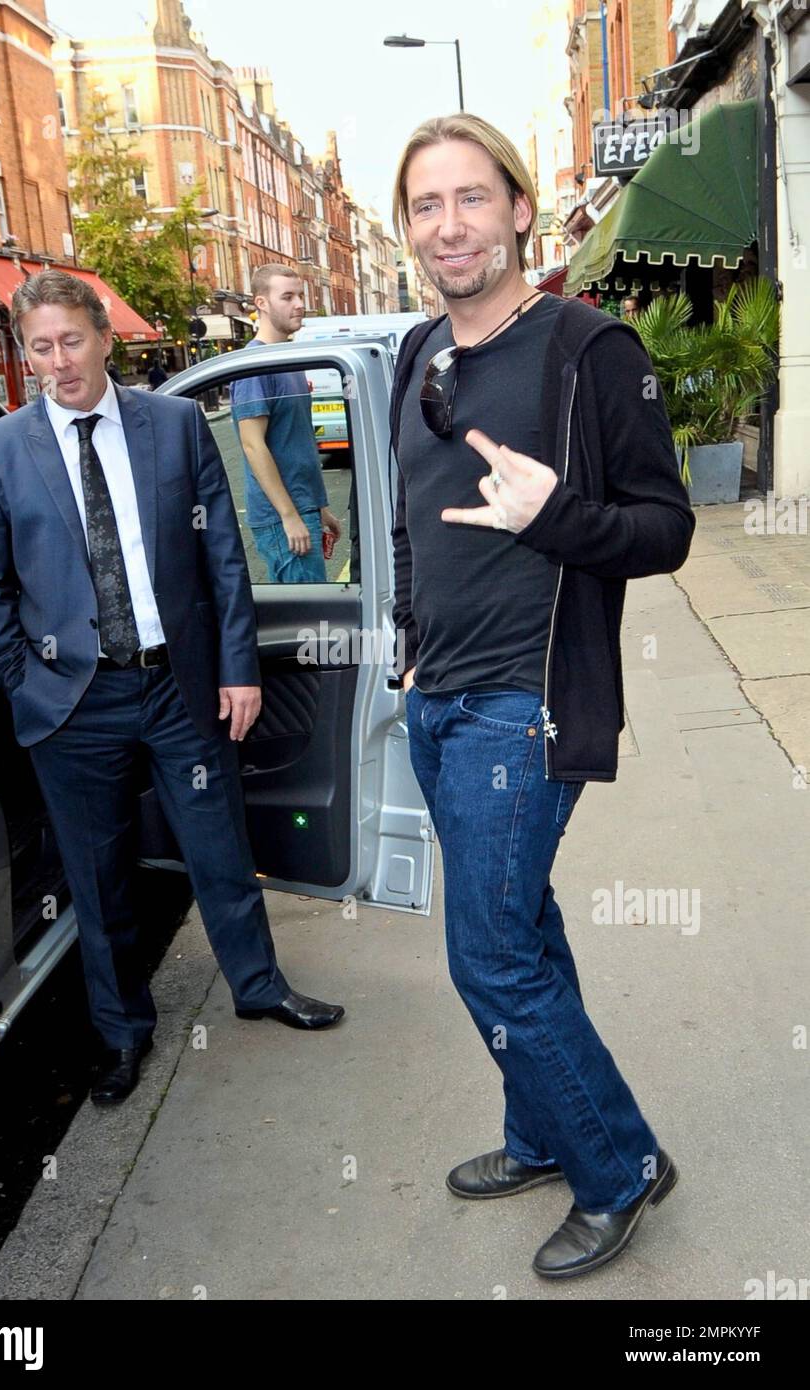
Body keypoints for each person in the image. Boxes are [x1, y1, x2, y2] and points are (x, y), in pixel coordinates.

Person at [388, 114, 695, 1279]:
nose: (450, 224)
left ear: (521, 210)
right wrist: (409, 639)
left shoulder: (588, 349)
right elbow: (415, 521)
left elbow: (666, 527)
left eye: (473, 198)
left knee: (491, 957)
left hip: (529, 702)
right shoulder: (422, 354)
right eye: (426, 204)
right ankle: (542, 1131)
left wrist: (553, 514)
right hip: (441, 699)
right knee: (528, 932)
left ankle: (617, 1166)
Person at [0, 269, 343, 1108]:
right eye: (40, 348)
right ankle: (124, 1034)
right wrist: (29, 684)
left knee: (221, 850)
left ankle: (258, 985)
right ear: (27, 355)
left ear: (104, 337)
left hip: (179, 686)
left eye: (71, 341)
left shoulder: (171, 425)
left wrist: (239, 667)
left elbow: (223, 558)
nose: (58, 362)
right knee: (99, 882)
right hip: (72, 703)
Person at [231, 264, 342, 582]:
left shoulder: (287, 358)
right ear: (261, 303)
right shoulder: (254, 364)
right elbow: (253, 445)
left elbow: (294, 442)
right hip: (282, 517)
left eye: (300, 296)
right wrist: (289, 515)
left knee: (314, 608)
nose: (299, 304)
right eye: (287, 296)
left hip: (301, 509)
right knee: (307, 619)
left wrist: (318, 507)